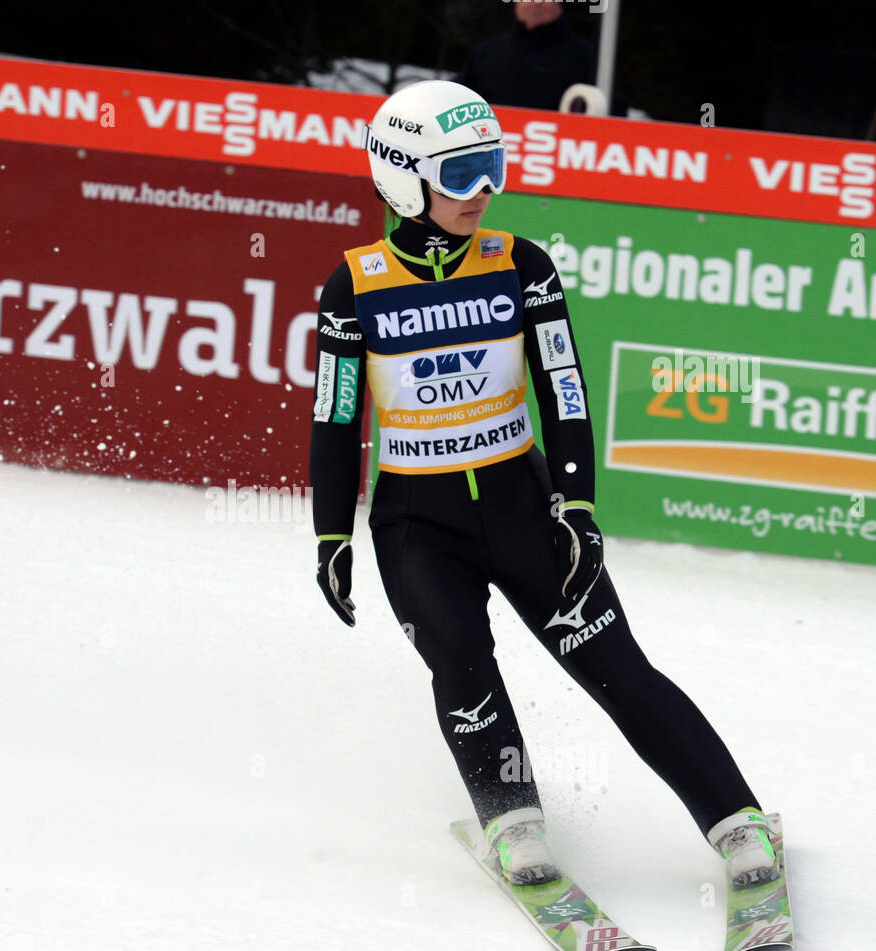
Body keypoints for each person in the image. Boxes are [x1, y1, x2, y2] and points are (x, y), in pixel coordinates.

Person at [308, 79, 777, 889]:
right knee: (461, 659)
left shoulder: (522, 264)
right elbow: (334, 420)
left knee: (615, 665)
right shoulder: (354, 285)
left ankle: (738, 820)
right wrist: (330, 534)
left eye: (491, 167)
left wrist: (578, 504)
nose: (482, 191)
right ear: (399, 176)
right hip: (420, 525)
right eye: (459, 175)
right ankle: (512, 819)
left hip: (527, 510)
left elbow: (564, 389)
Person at [456, 0, 627, 116]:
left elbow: (612, 113)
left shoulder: (585, 58)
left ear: (559, 5)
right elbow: (457, 101)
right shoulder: (487, 52)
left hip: (552, 158)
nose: (536, 3)